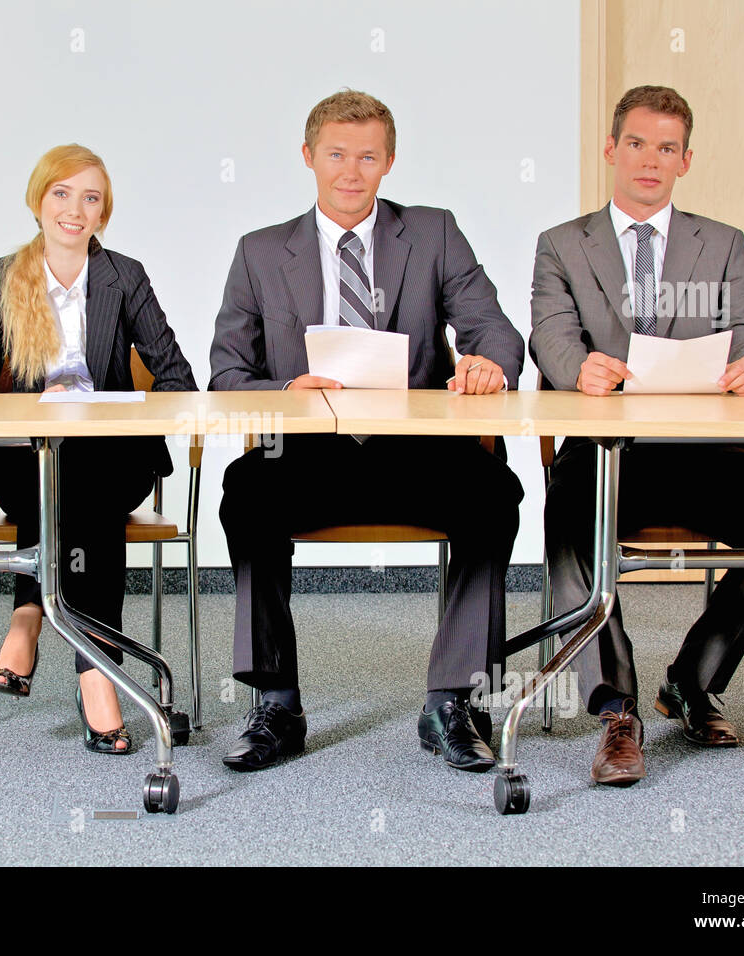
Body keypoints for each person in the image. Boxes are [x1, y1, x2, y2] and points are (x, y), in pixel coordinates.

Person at [209, 90, 525, 773]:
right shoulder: (261, 253)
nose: (351, 172)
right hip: (306, 454)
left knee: (494, 494)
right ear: (308, 157)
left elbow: (493, 328)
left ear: (389, 162)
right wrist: (283, 390)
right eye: (336, 155)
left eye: (368, 157)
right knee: (245, 491)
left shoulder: (433, 232)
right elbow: (227, 375)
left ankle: (453, 701)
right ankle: (277, 704)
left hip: (414, 454)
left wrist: (487, 365)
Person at [529, 86, 744, 786]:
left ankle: (692, 680)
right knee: (567, 524)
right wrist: (579, 369)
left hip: (705, 452)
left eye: (666, 148)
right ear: (611, 149)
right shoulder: (563, 245)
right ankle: (617, 711)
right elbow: (550, 337)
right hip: (606, 454)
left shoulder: (721, 243)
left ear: (685, 160)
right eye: (636, 143)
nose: (649, 160)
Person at [0, 144, 197, 754]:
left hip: (110, 454)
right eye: (62, 193)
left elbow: (176, 379)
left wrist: (120, 412)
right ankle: (98, 680)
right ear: (37, 201)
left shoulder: (123, 276)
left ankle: (30, 610)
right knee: (66, 487)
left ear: (103, 211)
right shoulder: (5, 276)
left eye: (91, 197)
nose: (75, 209)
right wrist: (24, 412)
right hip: (27, 452)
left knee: (82, 484)